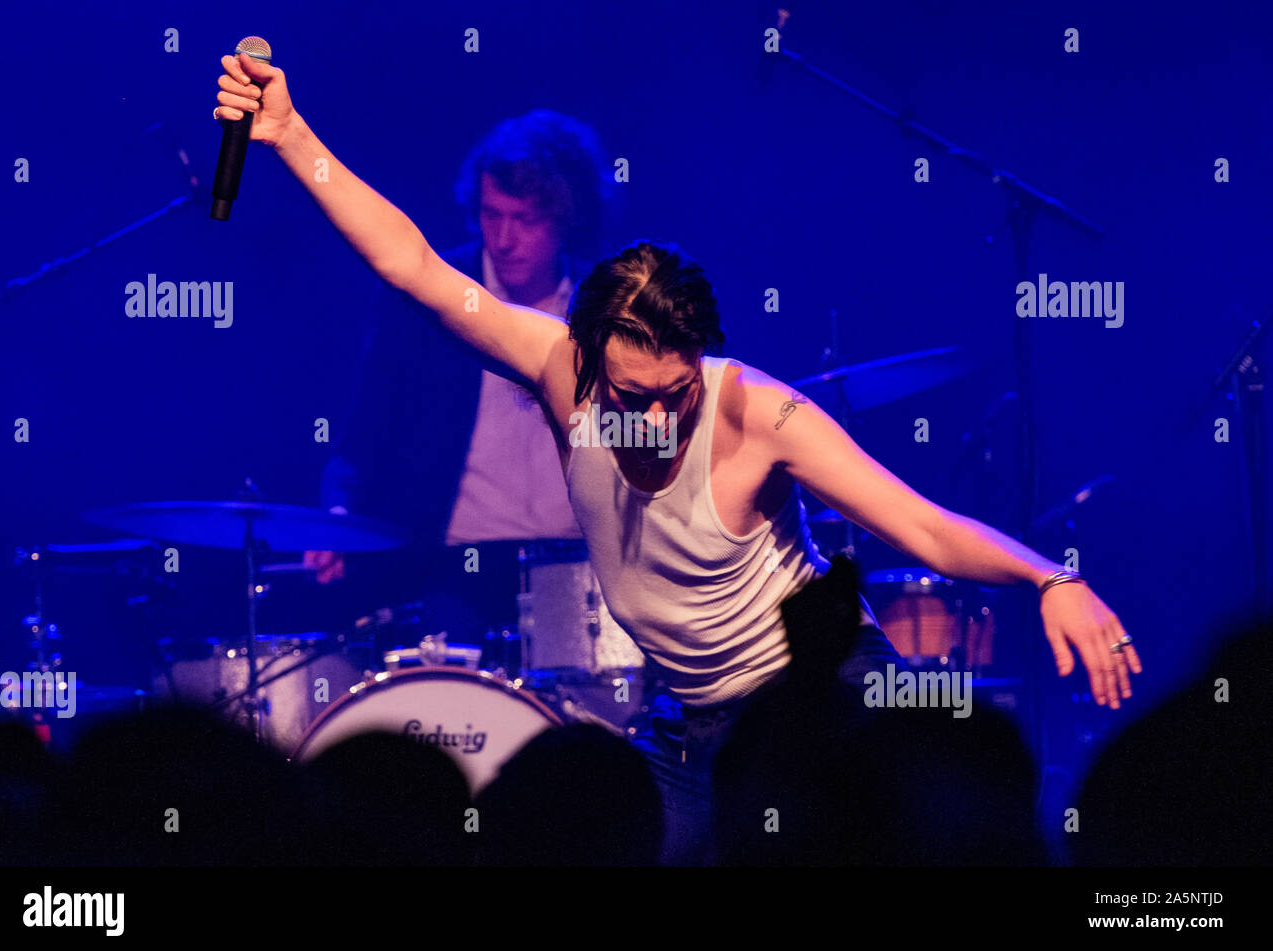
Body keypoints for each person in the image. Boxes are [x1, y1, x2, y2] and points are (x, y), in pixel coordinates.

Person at [212, 52, 1144, 863]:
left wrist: (1049, 579)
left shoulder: (761, 412)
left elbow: (924, 526)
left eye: (673, 397)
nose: (654, 420)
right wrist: (290, 135)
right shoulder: (554, 364)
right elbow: (412, 264)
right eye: (630, 400)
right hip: (692, 721)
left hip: (812, 693)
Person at [301, 110, 612, 646]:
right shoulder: (428, 300)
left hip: (582, 564)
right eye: (492, 215)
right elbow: (362, 439)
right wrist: (338, 516)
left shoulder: (606, 306)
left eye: (527, 220)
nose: (505, 238)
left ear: (567, 218)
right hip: (454, 570)